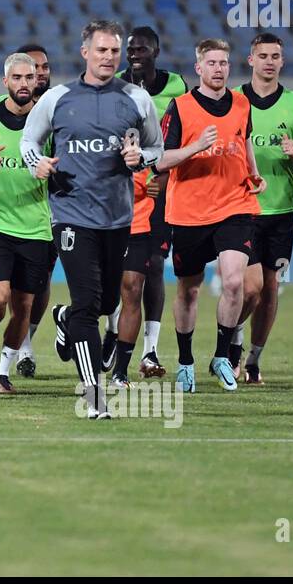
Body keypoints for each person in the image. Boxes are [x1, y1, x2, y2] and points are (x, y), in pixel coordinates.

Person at [22, 21, 163, 418]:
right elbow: (29, 140)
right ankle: (93, 394)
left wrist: (142, 160)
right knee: (87, 301)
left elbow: (156, 146)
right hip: (70, 214)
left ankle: (65, 318)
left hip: (118, 217)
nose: (108, 58)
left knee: (108, 303)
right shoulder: (57, 98)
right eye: (101, 50)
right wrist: (38, 163)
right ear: (85, 52)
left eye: (114, 52)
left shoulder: (136, 99)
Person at [155, 38, 264, 393]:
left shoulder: (242, 104)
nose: (219, 69)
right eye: (212, 63)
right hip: (190, 211)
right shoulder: (180, 107)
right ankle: (185, 361)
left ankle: (221, 356)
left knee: (234, 282)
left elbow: (244, 140)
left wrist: (254, 171)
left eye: (224, 63)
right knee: (189, 290)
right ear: (198, 68)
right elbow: (160, 159)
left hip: (236, 205)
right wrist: (195, 147)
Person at [235, 32, 293, 384]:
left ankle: (253, 360)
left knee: (270, 289)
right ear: (250, 60)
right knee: (251, 286)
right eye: (263, 55)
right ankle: (230, 340)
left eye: (275, 56)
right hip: (242, 208)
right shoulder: (234, 100)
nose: (269, 61)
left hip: (282, 211)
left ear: (282, 62)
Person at [0, 52, 55, 395]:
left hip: (36, 225)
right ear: (5, 81)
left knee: (23, 307)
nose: (24, 84)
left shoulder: (47, 119)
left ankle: (3, 372)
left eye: (30, 78)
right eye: (17, 78)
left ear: (38, 81)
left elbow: (63, 163)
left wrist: (50, 168)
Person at [118, 25, 188, 378]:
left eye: (140, 49)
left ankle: (149, 351)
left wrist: (162, 175)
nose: (133, 55)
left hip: (160, 191)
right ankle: (114, 334)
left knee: (155, 266)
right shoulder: (114, 84)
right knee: (120, 273)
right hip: (120, 192)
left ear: (155, 52)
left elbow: (180, 136)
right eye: (130, 49)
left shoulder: (177, 86)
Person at [10, 41, 52, 377]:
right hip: (12, 215)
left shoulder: (56, 109)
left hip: (57, 213)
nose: (35, 77)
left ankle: (27, 341)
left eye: (41, 69)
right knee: (12, 290)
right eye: (25, 73)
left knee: (41, 284)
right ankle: (19, 348)